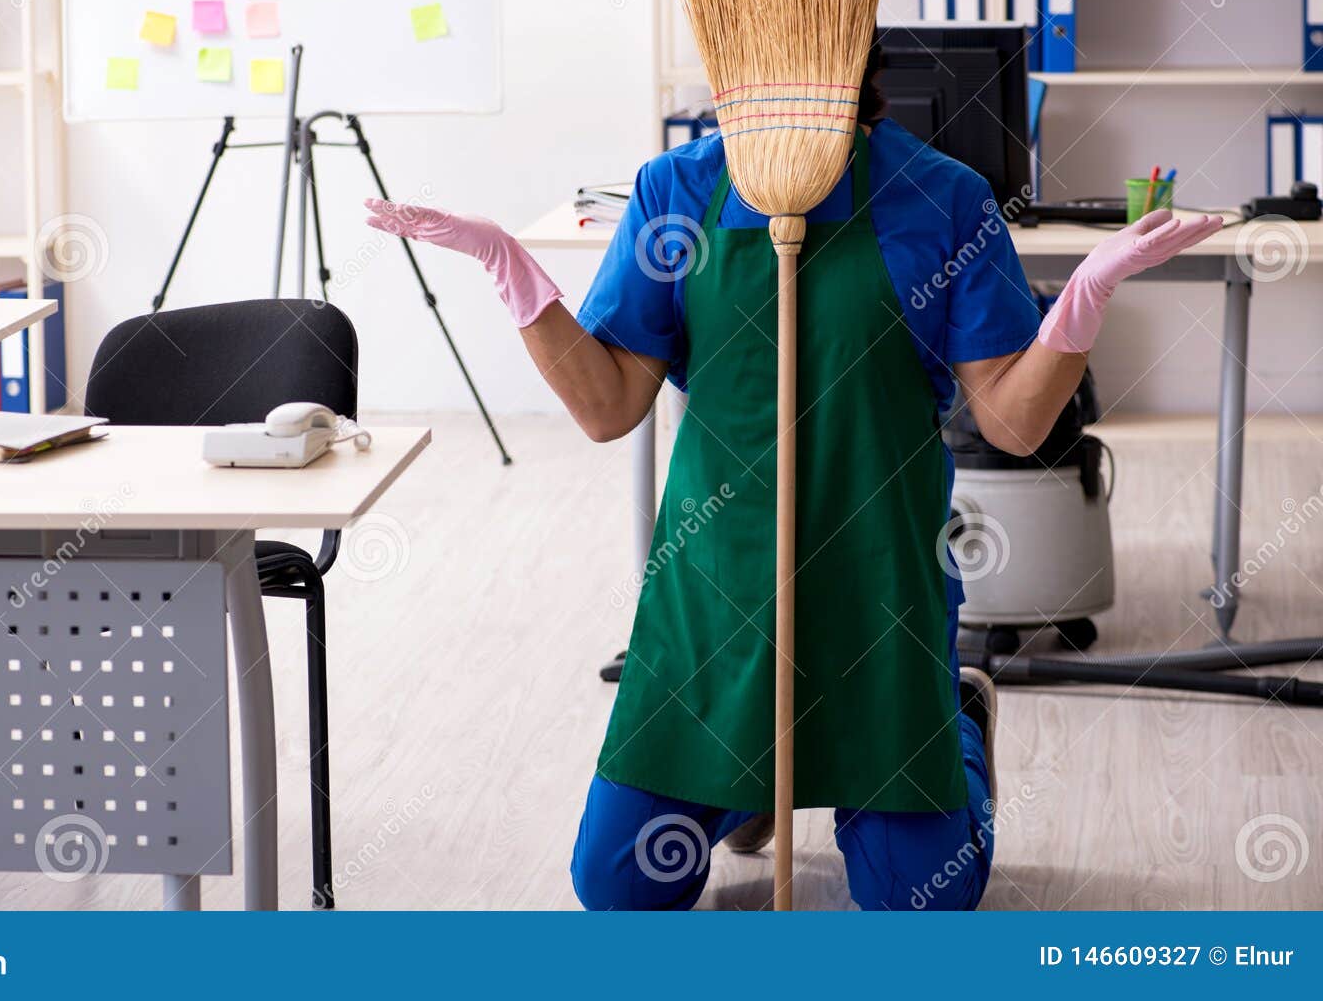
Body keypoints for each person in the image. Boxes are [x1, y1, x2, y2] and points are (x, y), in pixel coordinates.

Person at [363, 55, 1222, 911]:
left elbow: (1013, 422)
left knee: (918, 902)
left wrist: (1085, 295)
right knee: (620, 886)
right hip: (716, 589)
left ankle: (953, 721)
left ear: (851, 65)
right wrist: (508, 265)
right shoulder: (677, 190)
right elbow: (606, 405)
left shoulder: (943, 197)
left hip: (877, 588)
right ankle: (746, 782)